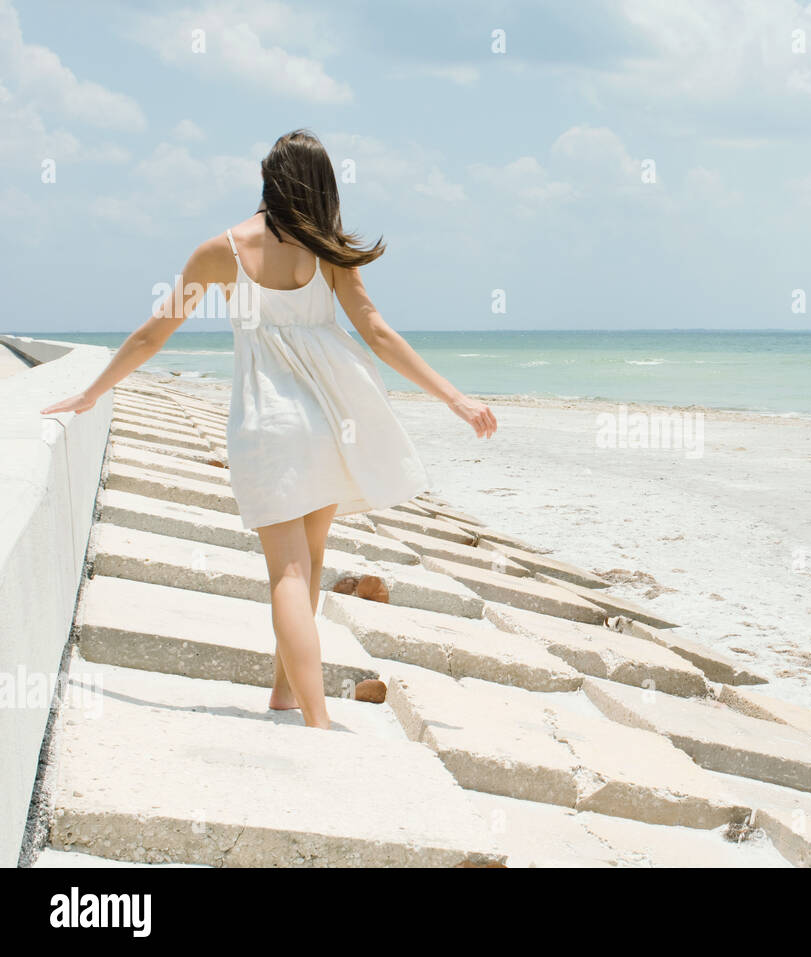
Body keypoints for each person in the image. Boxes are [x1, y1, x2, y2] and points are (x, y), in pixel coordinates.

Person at [41, 129, 497, 730]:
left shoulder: (220, 251)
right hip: (332, 421)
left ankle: (315, 718)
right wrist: (455, 398)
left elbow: (156, 332)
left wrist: (93, 391)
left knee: (287, 572)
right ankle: (287, 697)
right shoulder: (325, 250)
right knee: (308, 563)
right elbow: (378, 334)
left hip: (268, 423)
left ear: (266, 178)